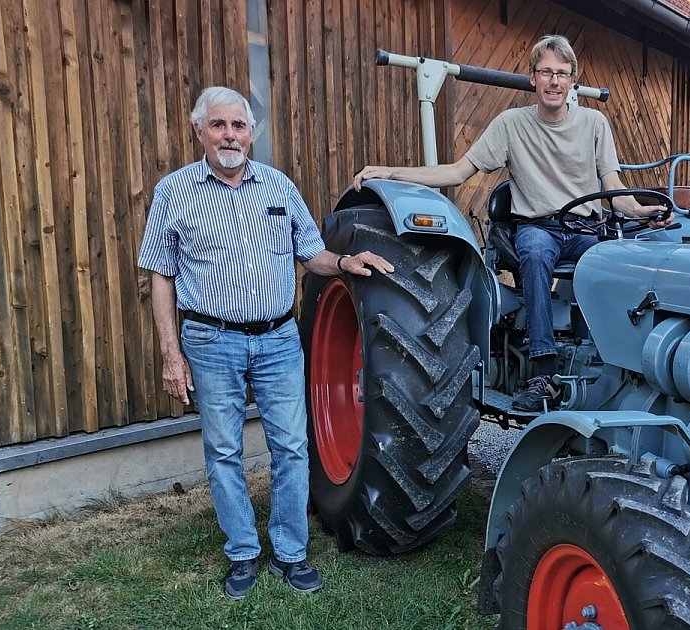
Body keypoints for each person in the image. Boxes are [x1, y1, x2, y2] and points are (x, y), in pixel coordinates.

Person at [138, 86, 393, 600]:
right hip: (210, 340)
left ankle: (290, 553)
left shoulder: (278, 186)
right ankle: (242, 553)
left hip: (278, 339)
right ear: (199, 132)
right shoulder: (173, 191)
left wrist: (345, 263)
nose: (230, 135)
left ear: (252, 133)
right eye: (219, 125)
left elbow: (311, 254)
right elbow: (161, 276)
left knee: (292, 448)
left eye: (239, 125)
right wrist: (171, 354)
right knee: (225, 450)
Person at [352, 34, 663, 412]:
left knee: (624, 261)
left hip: (584, 230)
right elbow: (457, 171)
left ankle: (625, 364)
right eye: (546, 72)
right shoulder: (511, 124)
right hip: (538, 227)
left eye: (562, 74)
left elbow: (614, 188)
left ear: (572, 81)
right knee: (533, 253)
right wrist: (390, 173)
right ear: (533, 78)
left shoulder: (595, 124)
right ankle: (544, 375)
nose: (554, 81)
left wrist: (642, 212)